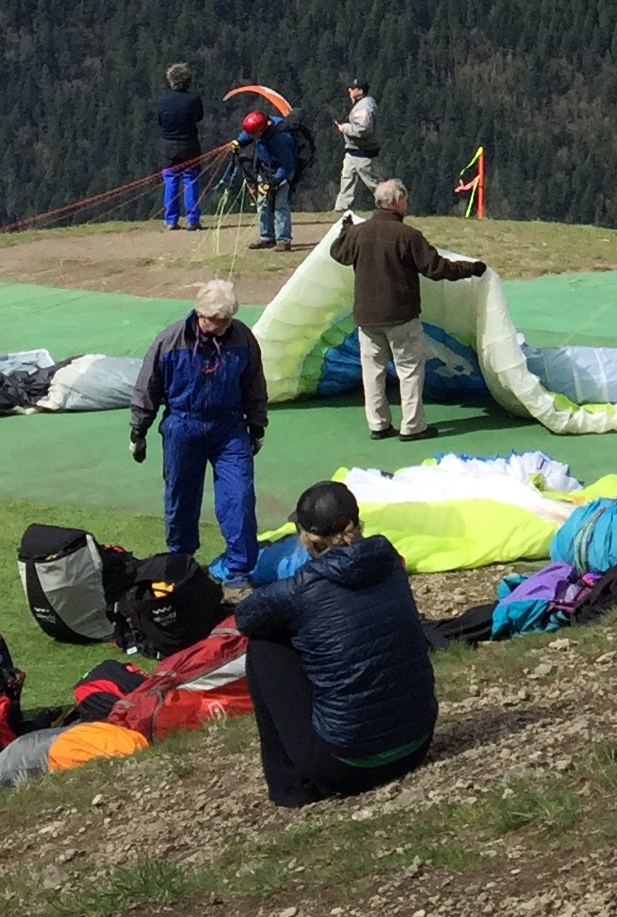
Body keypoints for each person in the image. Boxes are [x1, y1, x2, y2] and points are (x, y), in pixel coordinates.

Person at [234, 481, 436, 810]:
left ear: (309, 538)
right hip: (416, 742)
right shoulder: (388, 561)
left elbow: (246, 617)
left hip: (347, 766)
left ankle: (291, 786)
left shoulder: (300, 589)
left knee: (264, 645)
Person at [129, 277, 268, 589]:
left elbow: (254, 384)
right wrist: (139, 430)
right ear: (200, 314)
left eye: (227, 320)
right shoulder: (170, 341)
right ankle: (181, 563)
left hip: (229, 427)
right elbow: (148, 385)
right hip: (182, 425)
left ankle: (239, 573)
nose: (222, 327)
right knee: (181, 497)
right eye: (216, 321)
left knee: (240, 497)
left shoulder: (242, 339)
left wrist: (257, 425)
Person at [328, 179, 485, 441]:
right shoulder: (408, 236)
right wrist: (471, 268)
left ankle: (378, 424)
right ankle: (412, 426)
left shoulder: (359, 233)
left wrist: (345, 230)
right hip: (401, 316)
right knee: (409, 370)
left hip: (367, 317)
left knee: (372, 372)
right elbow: (437, 269)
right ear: (398, 201)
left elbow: (338, 253)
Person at [237, 106, 301, 251]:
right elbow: (248, 135)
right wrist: (238, 142)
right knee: (263, 203)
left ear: (261, 130)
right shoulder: (259, 130)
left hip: (282, 171)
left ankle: (283, 240)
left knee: (280, 204)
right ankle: (266, 237)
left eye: (253, 134)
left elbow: (288, 165)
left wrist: (273, 182)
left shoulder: (280, 139)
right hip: (266, 169)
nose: (251, 137)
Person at [155, 61, 205, 230]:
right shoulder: (194, 99)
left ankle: (171, 220)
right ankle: (192, 219)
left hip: (168, 145)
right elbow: (199, 117)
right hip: (189, 144)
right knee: (191, 180)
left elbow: (160, 121)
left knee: (171, 180)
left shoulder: (163, 99)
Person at [332, 79, 382, 217]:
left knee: (373, 182)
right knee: (346, 177)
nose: (350, 90)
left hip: (363, 152)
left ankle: (388, 204)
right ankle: (341, 207)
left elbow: (363, 129)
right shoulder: (360, 104)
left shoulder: (364, 107)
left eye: (353, 88)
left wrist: (345, 128)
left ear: (360, 91)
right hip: (353, 150)